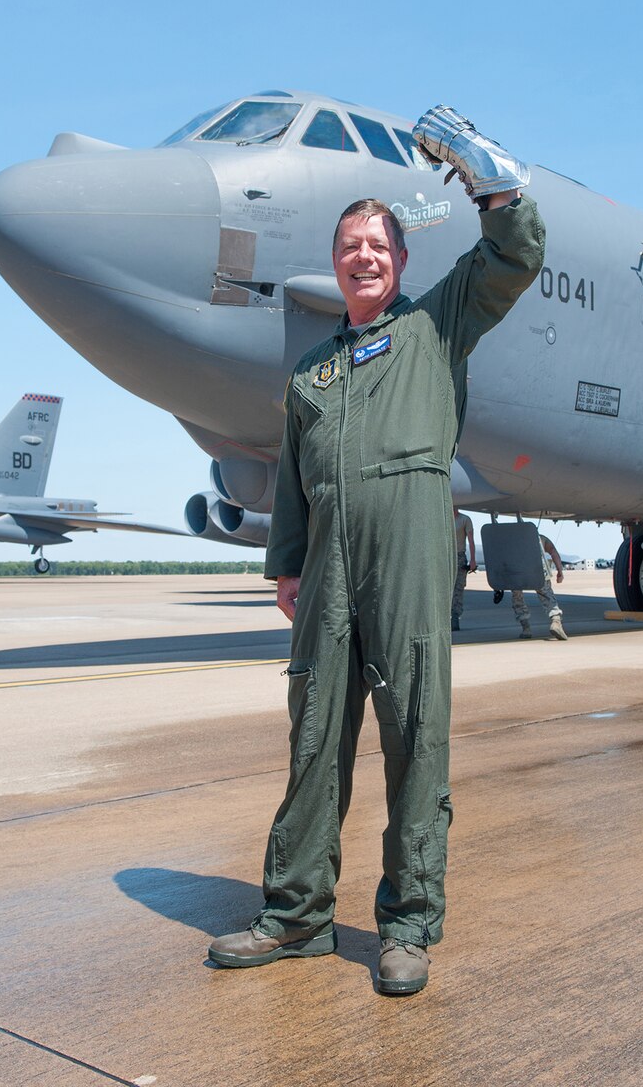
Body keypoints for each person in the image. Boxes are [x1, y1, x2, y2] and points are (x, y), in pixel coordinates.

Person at [208, 106, 545, 995]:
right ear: (336, 261)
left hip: (407, 560)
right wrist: (286, 563)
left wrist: (489, 178)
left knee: (414, 736)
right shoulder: (311, 373)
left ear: (399, 262)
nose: (363, 255)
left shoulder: (437, 330)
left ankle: (408, 924)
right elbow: (292, 480)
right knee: (314, 736)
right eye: (350, 244)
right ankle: (294, 915)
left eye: (378, 245)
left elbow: (515, 257)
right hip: (326, 573)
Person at [494, 534, 567, 639]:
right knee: (546, 594)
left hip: (516, 572)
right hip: (537, 570)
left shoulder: (510, 538)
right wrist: (560, 571)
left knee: (517, 598)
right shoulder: (540, 538)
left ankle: (526, 628)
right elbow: (553, 552)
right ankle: (556, 621)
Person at [451, 508, 476, 631]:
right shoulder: (444, 519)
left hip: (459, 556)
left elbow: (471, 540)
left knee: (458, 588)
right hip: (446, 556)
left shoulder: (465, 519)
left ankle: (455, 617)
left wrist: (473, 560)